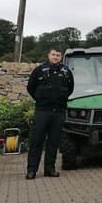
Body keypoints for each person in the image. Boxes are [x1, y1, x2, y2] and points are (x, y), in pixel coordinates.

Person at [26, 47, 75, 179]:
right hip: (42, 111)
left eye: (58, 55)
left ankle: (50, 169)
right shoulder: (39, 70)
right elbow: (31, 87)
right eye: (53, 55)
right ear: (48, 55)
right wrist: (41, 100)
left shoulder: (66, 72)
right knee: (37, 141)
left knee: (54, 142)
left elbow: (70, 89)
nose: (55, 57)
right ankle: (31, 170)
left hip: (58, 111)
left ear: (61, 57)